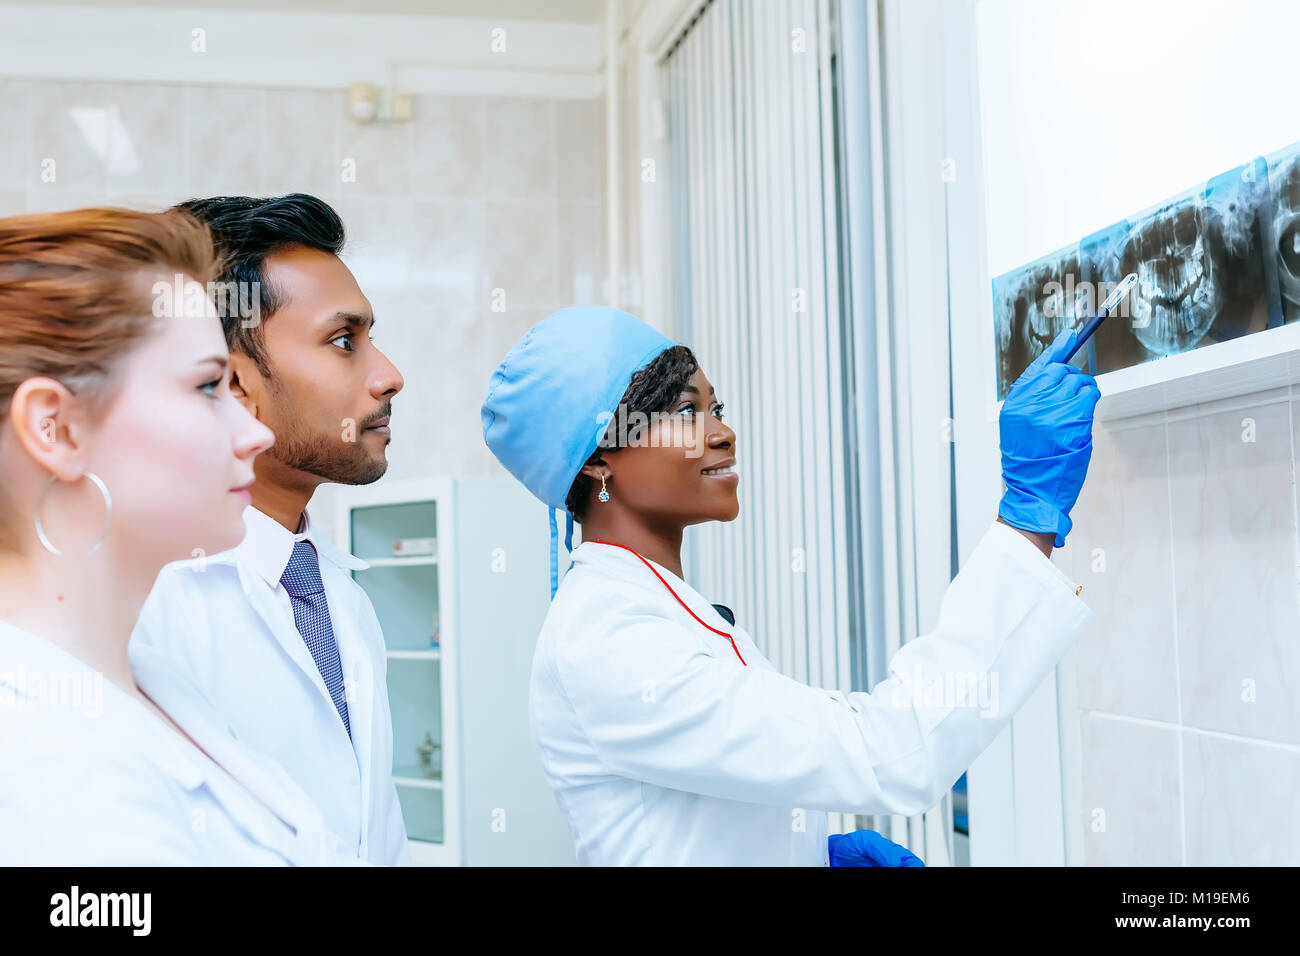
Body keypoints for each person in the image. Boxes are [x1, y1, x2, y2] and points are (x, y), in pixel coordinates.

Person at [481, 305, 1099, 866]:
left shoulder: (656, 606)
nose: (721, 433)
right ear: (597, 459)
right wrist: (1027, 519)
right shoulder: (610, 640)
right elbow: (894, 751)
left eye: (715, 409)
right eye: (683, 413)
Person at [0, 207, 350, 864]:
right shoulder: (35, 760)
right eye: (208, 385)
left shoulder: (151, 682)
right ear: (57, 430)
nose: (256, 433)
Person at [130, 194, 410, 865]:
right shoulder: (148, 607)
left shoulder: (338, 597)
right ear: (231, 380)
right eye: (344, 341)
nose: (389, 377)